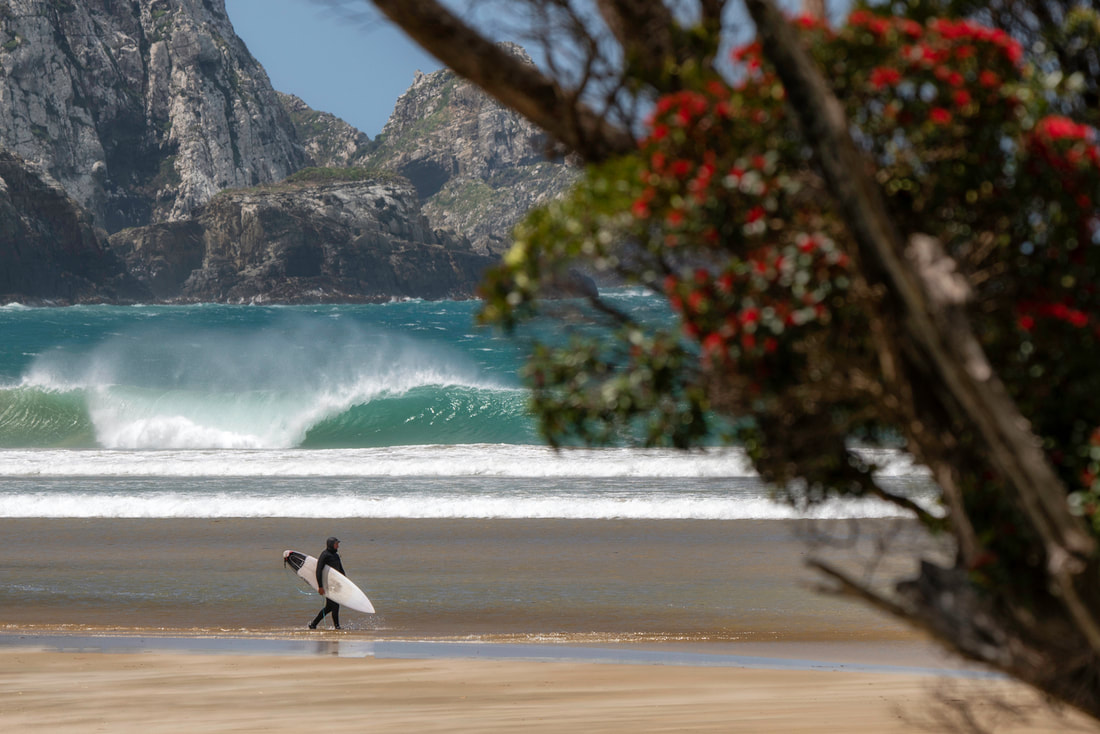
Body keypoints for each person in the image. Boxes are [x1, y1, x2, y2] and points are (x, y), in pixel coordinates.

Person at [308, 536, 345, 630]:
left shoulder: (336, 555)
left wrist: (345, 582)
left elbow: (340, 570)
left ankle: (313, 624)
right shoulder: (325, 555)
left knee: (329, 607)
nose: (338, 546)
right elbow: (318, 570)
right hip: (328, 584)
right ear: (331, 545)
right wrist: (320, 586)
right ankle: (337, 627)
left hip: (335, 585)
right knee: (335, 605)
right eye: (337, 544)